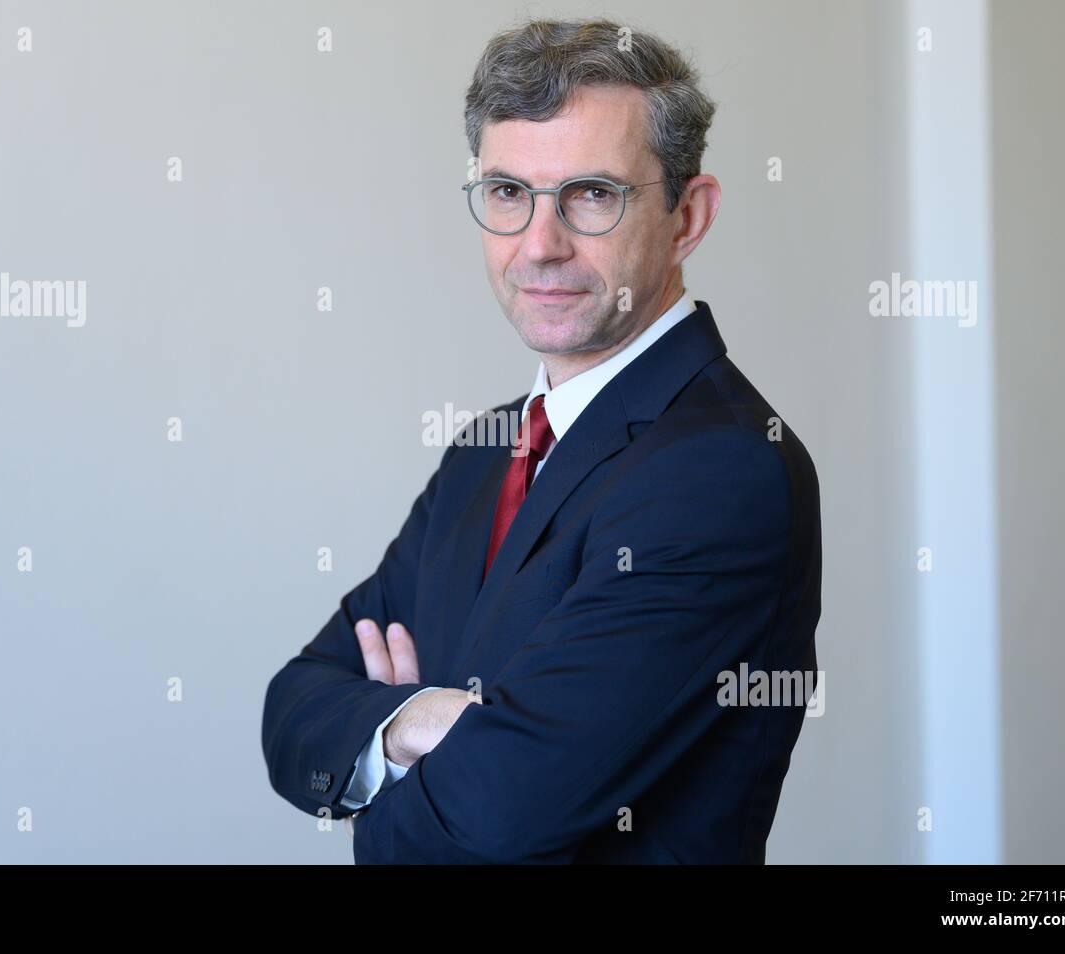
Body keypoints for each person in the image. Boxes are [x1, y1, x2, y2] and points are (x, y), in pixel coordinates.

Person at [262, 17, 821, 864]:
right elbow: (293, 708)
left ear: (687, 216)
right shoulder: (487, 450)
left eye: (593, 194)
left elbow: (500, 813)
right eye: (508, 192)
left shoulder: (722, 469)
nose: (539, 246)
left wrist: (387, 776)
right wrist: (415, 720)